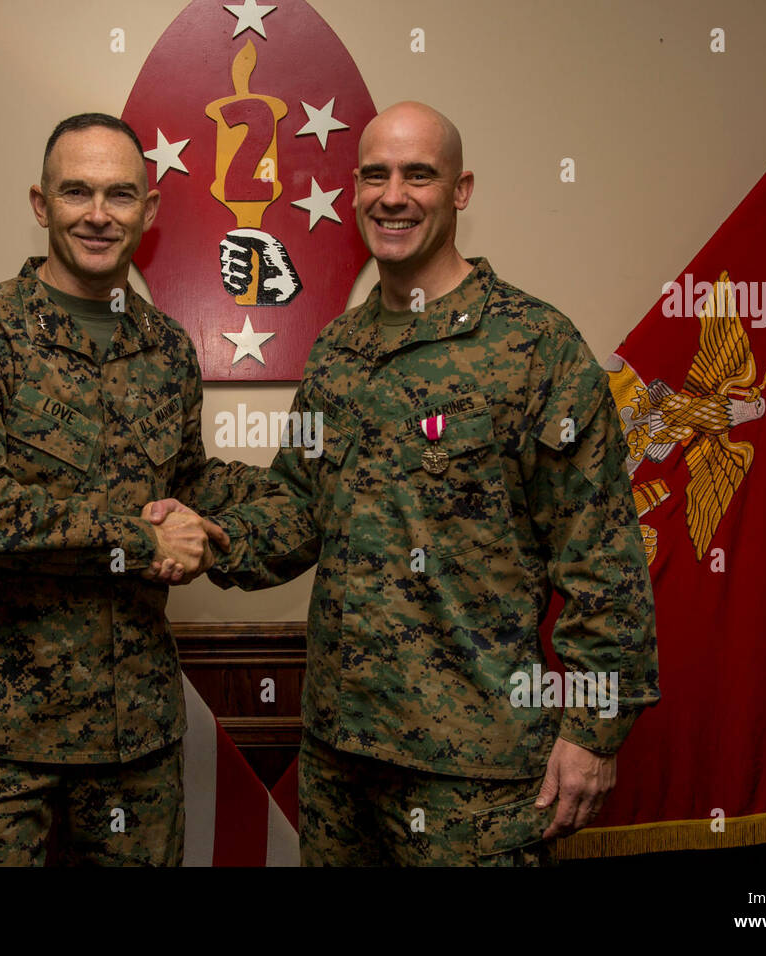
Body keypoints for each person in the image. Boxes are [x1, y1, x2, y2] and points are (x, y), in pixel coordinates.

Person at [147, 102, 660, 866]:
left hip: (474, 773)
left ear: (461, 190)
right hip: (340, 755)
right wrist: (210, 534)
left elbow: (603, 559)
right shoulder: (338, 352)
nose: (394, 196)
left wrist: (590, 731)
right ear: (353, 189)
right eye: (376, 175)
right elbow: (297, 508)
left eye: (419, 175)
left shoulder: (534, 346)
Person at [0, 112, 261, 866]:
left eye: (120, 195)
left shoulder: (167, 348)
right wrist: (144, 540)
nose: (98, 215)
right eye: (76, 192)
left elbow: (185, 480)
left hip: (135, 738)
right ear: (41, 204)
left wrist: (290, 498)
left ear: (149, 211)